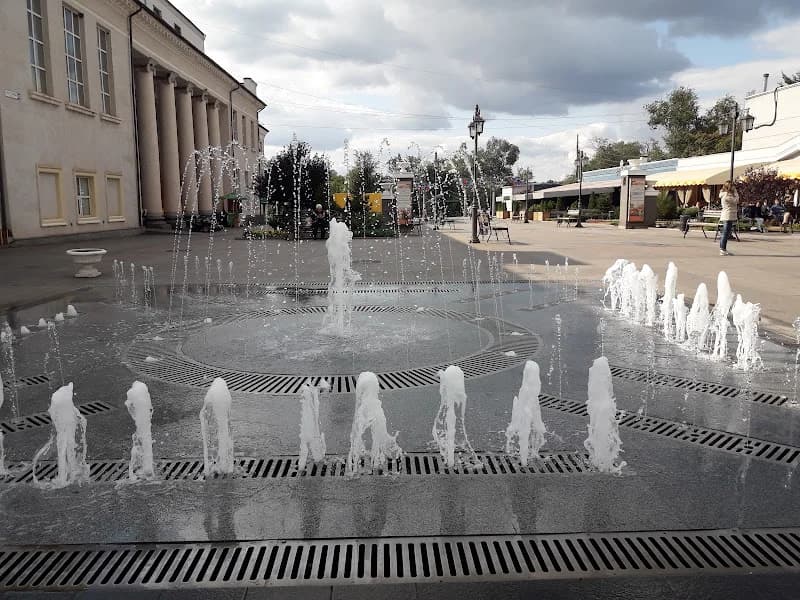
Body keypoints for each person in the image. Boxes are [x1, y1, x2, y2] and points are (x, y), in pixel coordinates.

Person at [718, 181, 738, 256]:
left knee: (725, 233)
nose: (734, 187)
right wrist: (735, 192)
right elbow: (736, 200)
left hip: (727, 215)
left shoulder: (725, 194)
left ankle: (723, 249)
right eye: (732, 186)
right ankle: (722, 249)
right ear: (729, 187)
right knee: (725, 233)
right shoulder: (727, 196)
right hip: (728, 215)